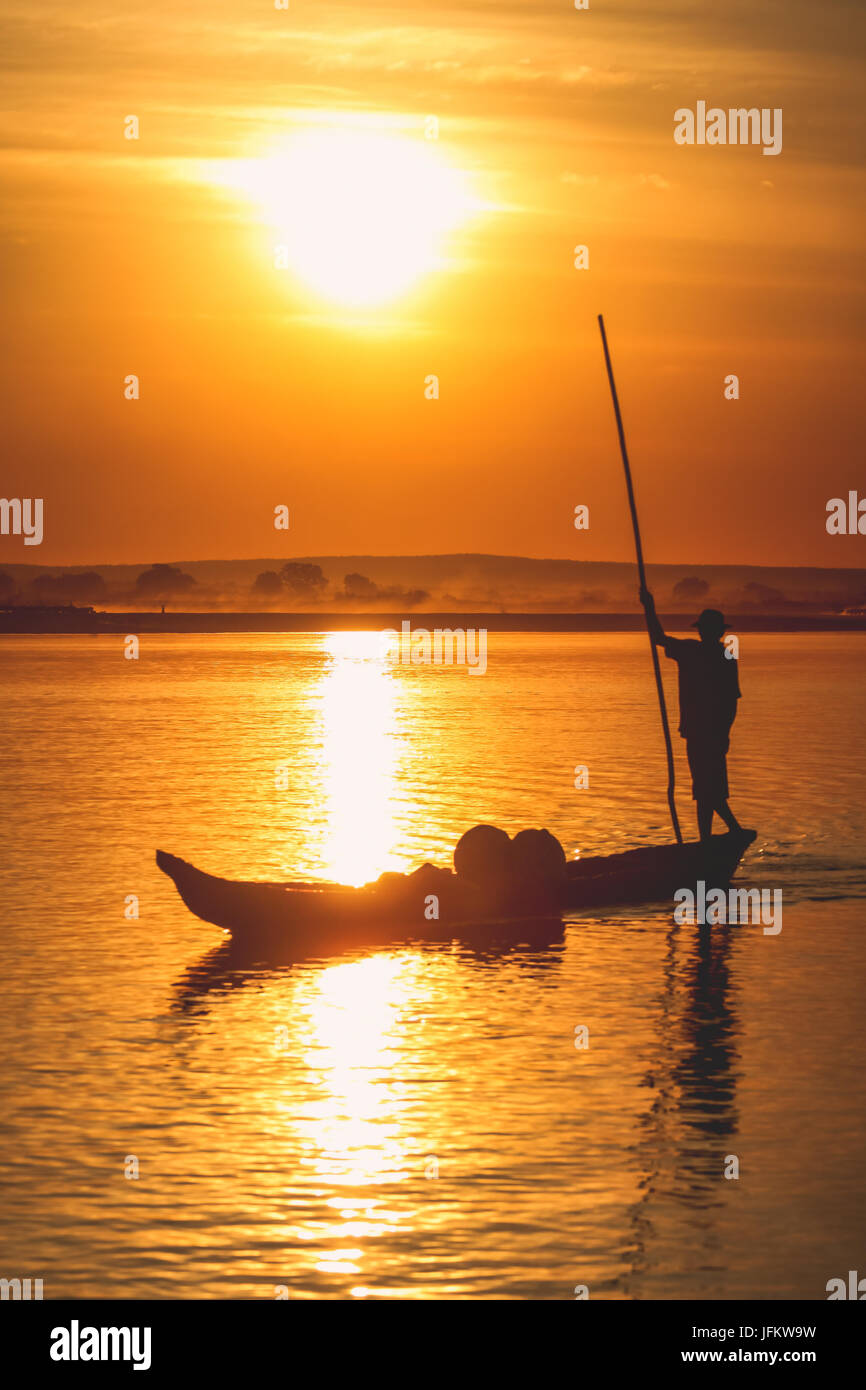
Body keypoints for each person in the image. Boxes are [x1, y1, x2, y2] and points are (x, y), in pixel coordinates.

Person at [640, 587, 746, 842]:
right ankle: (712, 837)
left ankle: (717, 836)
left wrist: (649, 607)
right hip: (705, 732)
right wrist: (649, 606)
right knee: (708, 788)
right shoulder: (712, 654)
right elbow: (658, 638)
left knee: (707, 788)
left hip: (705, 733)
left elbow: (731, 700)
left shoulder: (704, 654)